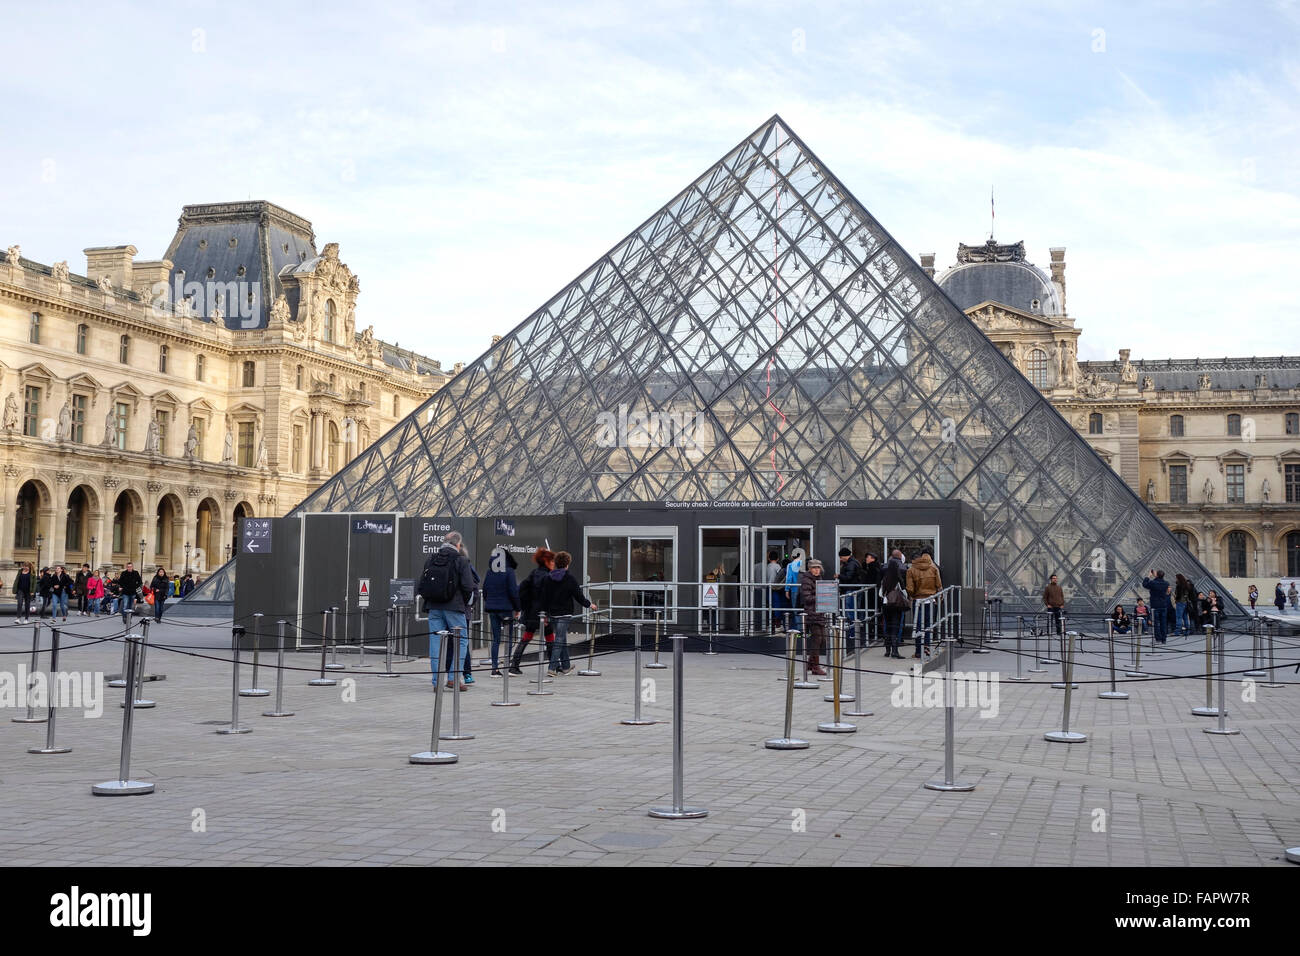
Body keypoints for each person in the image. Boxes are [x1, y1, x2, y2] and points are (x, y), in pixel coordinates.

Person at [418, 530, 476, 690]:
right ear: (458, 544)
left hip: (434, 607)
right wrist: (463, 603)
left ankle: (437, 682)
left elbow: (422, 581)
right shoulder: (461, 560)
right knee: (460, 641)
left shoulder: (431, 558)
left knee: (435, 643)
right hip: (454, 608)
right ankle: (454, 679)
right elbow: (468, 586)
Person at [542, 551, 595, 676]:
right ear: (567, 564)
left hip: (553, 614)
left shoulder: (549, 577)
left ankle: (566, 666)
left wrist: (544, 614)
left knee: (561, 639)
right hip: (565, 614)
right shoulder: (569, 578)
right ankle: (552, 668)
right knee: (559, 640)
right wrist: (590, 605)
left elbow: (544, 597)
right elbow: (578, 596)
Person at [509, 548, 555, 677]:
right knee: (550, 638)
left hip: (531, 612)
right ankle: (553, 666)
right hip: (543, 614)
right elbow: (547, 597)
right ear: (546, 561)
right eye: (551, 561)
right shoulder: (549, 576)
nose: (553, 563)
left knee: (526, 638)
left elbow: (521, 590)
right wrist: (546, 613)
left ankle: (514, 666)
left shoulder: (533, 573)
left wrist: (524, 607)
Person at [482, 545, 521, 677]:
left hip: (492, 609)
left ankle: (494, 669)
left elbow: (485, 591)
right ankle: (507, 667)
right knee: (509, 639)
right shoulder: (509, 571)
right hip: (506, 609)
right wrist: (517, 608)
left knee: (496, 639)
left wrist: (490, 602)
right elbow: (513, 592)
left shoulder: (489, 572)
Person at [906, 549, 942, 658]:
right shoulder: (933, 568)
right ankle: (927, 648)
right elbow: (939, 585)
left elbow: (910, 589)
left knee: (918, 626)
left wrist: (912, 595)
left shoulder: (911, 570)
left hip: (918, 601)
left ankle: (918, 651)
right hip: (932, 599)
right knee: (929, 626)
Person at [796, 558, 829, 675]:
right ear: (810, 569)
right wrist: (822, 597)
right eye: (814, 568)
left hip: (820, 612)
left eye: (818, 567)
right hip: (812, 613)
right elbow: (807, 598)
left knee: (822, 639)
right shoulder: (806, 580)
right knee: (817, 639)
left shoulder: (818, 578)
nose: (817, 570)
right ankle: (815, 666)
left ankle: (811, 663)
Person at [879, 549, 906, 658]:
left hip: (886, 605)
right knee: (895, 626)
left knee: (888, 625)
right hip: (896, 605)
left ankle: (887, 650)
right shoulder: (898, 579)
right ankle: (895, 651)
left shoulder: (884, 579)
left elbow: (880, 593)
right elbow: (904, 591)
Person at [1141, 569, 1172, 644]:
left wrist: (1149, 576)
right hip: (1164, 605)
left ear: (1157, 575)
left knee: (1156, 623)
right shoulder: (1166, 583)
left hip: (1155, 605)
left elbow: (1144, 584)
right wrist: (1156, 576)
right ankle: (1164, 639)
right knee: (1163, 623)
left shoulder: (1153, 583)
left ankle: (1158, 639)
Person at [861, 552, 881, 643]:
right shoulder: (874, 567)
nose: (866, 559)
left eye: (868, 557)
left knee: (870, 613)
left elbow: (868, 579)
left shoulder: (872, 568)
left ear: (873, 558)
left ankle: (871, 633)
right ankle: (873, 632)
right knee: (873, 613)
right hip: (873, 595)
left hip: (870, 595)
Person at [1042, 573, 1065, 637]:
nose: (1055, 579)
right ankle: (1049, 632)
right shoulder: (1048, 587)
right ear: (1051, 579)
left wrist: (1062, 604)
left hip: (1058, 607)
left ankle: (1059, 632)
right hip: (1051, 607)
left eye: (1056, 578)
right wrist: (1047, 604)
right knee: (1050, 620)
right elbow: (1044, 597)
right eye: (1053, 578)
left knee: (1058, 620)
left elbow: (1062, 596)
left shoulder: (1059, 588)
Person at [1174, 573, 1194, 637]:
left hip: (1180, 602)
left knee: (1179, 617)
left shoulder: (1179, 586)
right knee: (1185, 617)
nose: (1176, 579)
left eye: (1176, 578)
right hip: (1186, 602)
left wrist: (1176, 598)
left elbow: (1178, 595)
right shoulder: (1187, 585)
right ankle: (1187, 631)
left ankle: (1178, 631)